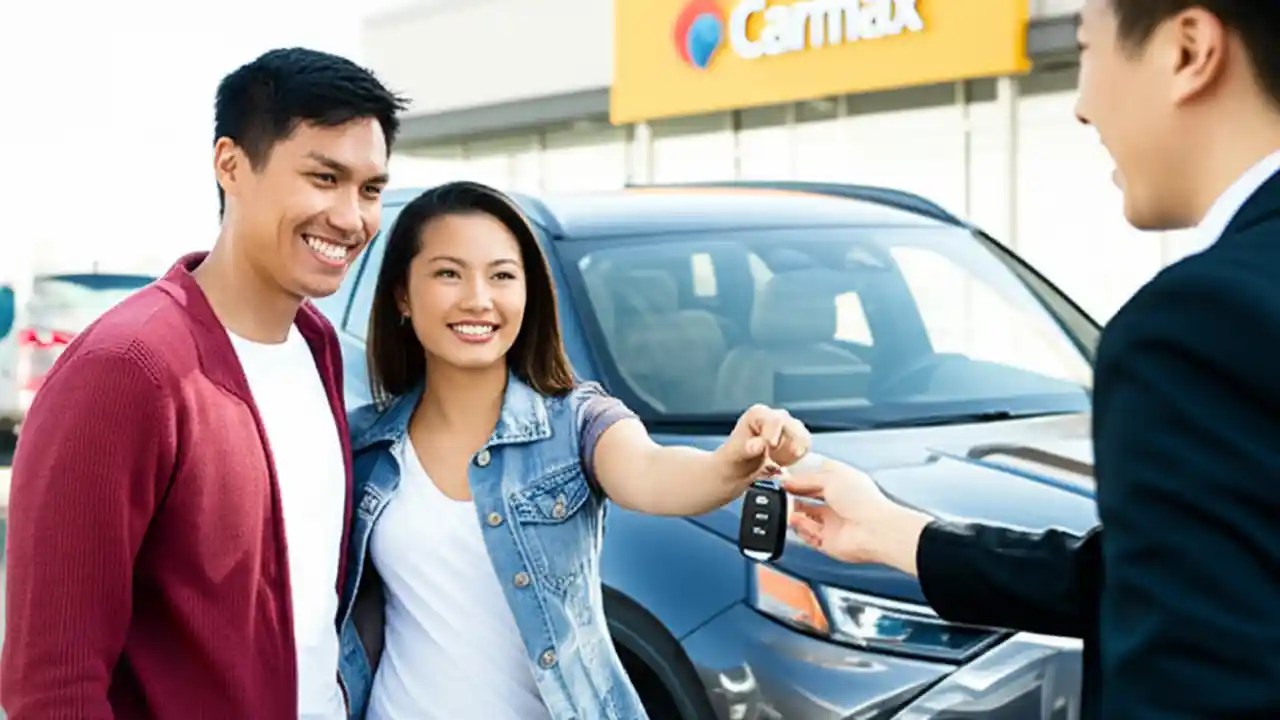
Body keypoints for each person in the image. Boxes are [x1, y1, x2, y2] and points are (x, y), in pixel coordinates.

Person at [786, 1, 1280, 718]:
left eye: (1088, 50)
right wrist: (894, 534)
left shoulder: (1195, 326)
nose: (1081, 107)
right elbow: (1177, 575)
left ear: (1189, 50)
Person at [1, 48, 407, 719]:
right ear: (230, 165)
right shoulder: (128, 370)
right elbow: (52, 687)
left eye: (368, 189)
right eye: (323, 177)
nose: (350, 217)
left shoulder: (318, 347)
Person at [335, 180, 810, 720]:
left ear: (527, 292)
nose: (478, 299)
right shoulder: (365, 444)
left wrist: (731, 463)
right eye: (448, 273)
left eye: (502, 276)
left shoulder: (575, 422)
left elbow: (649, 473)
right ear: (402, 294)